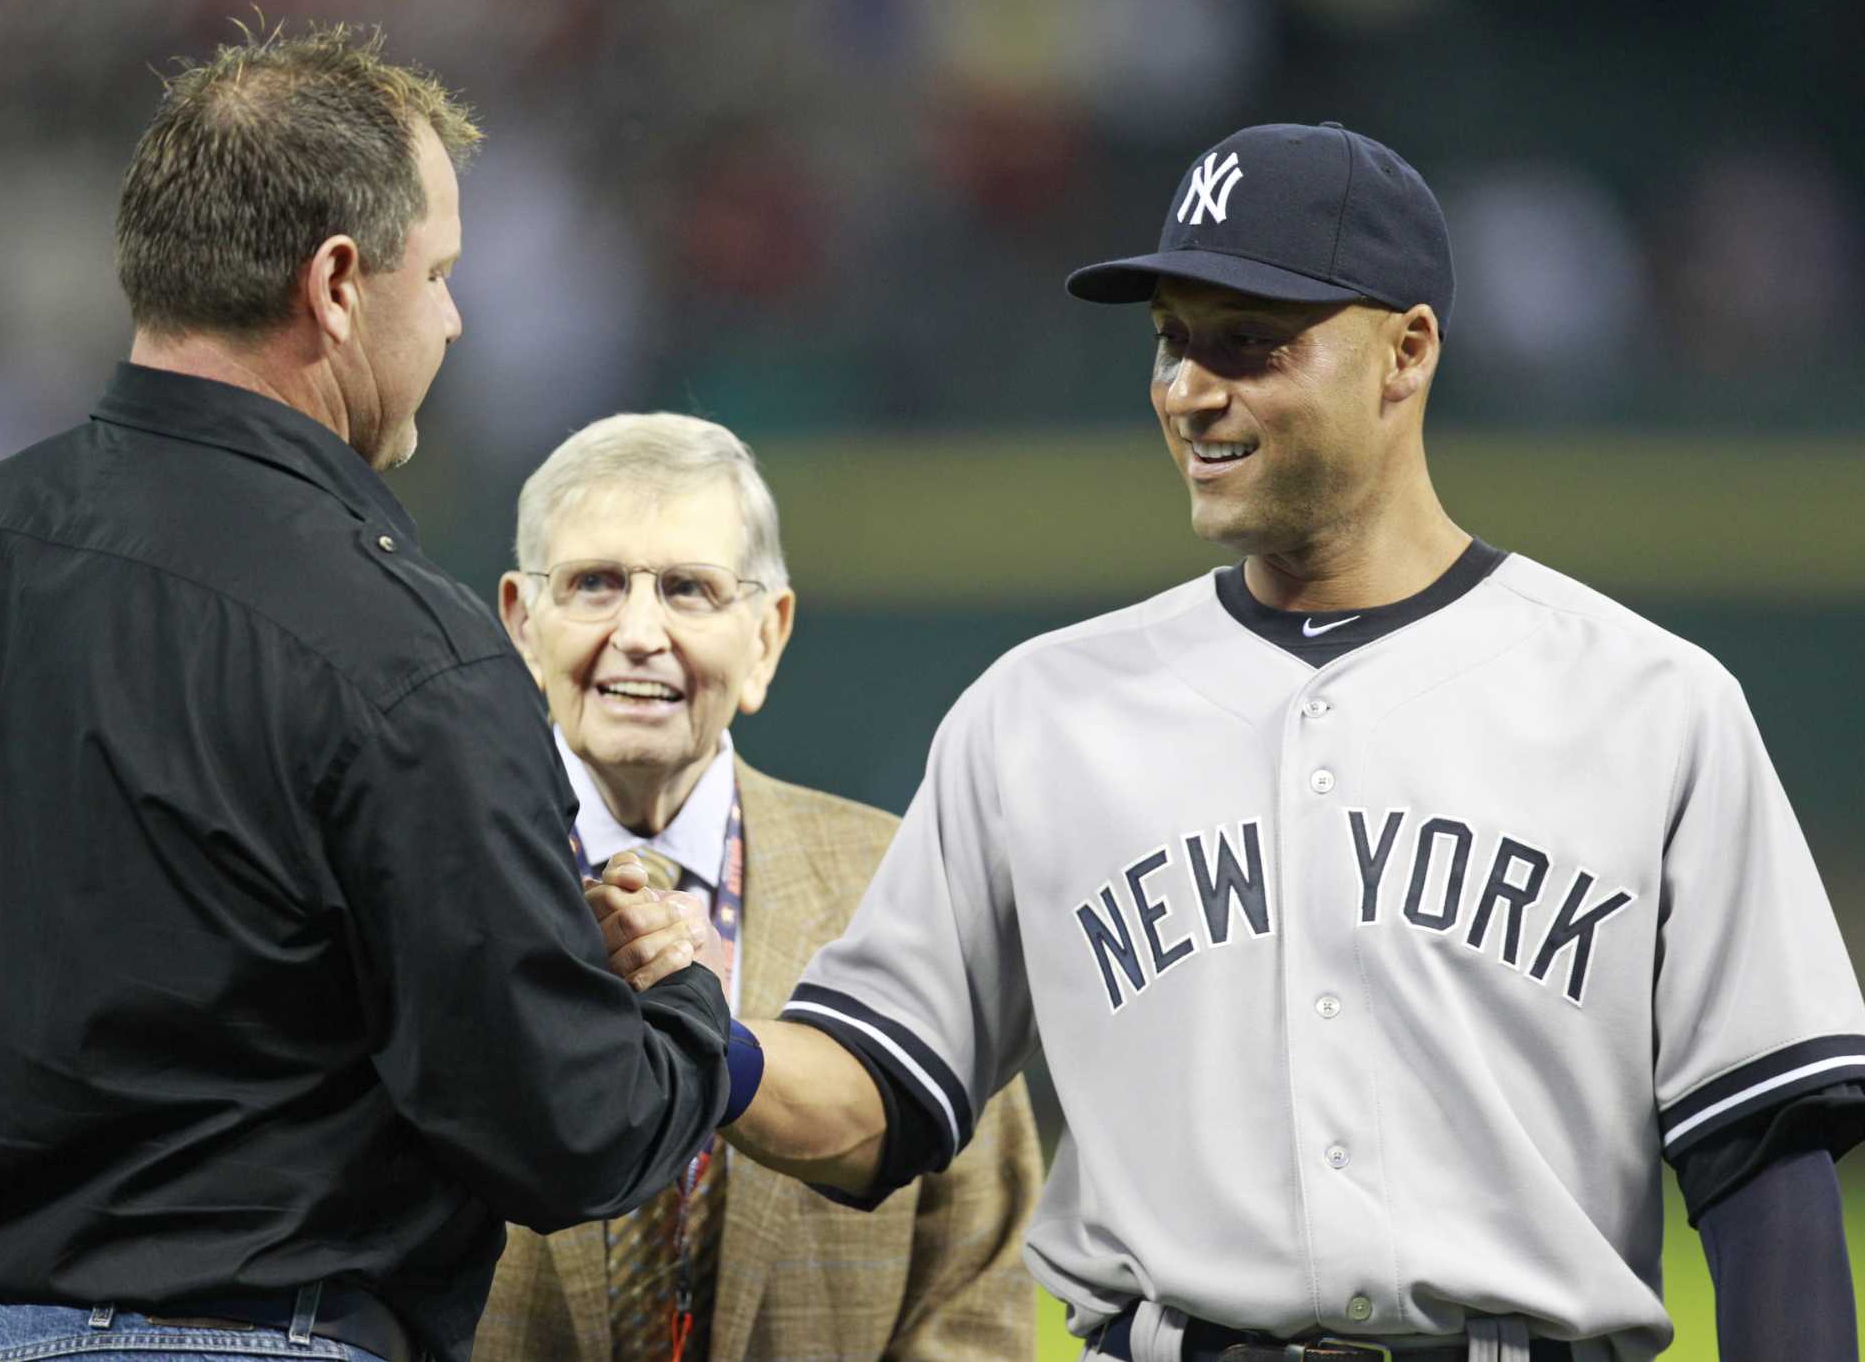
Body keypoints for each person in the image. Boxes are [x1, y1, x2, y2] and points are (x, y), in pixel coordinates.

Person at [612, 123, 1865, 1361]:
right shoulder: (1035, 713)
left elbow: (1762, 1159)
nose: (1188, 389)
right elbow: (878, 1094)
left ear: (1405, 352)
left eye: (1249, 343)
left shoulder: (1649, 705)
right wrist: (701, 1041)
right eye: (1172, 340)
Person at [0, 25, 755, 1362]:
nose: (453, 317)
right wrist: (681, 1010)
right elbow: (567, 1131)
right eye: (438, 274)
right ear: (336, 285)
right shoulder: (397, 644)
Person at [479, 412, 1042, 1361]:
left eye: (689, 589)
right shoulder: (430, 871)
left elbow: (976, 1286)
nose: (639, 633)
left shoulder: (903, 879)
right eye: (595, 583)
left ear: (767, 636)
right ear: (524, 624)